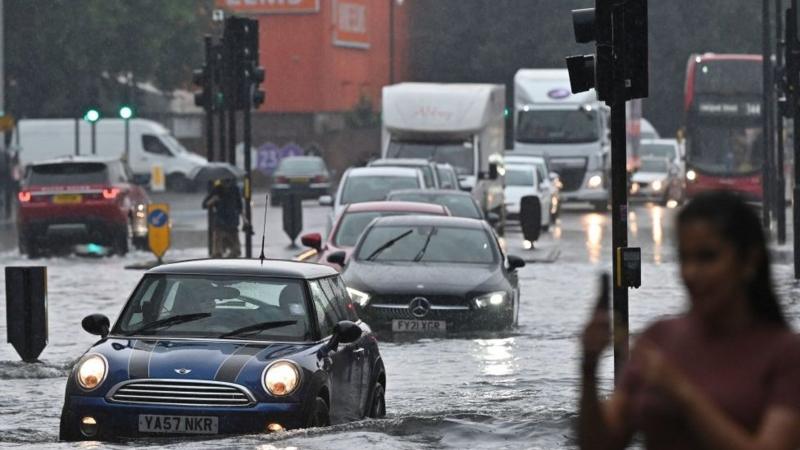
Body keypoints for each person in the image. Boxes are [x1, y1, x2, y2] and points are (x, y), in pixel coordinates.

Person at [579, 191, 800, 449]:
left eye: (707, 257)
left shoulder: (785, 354)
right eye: (685, 258)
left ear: (749, 260)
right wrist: (589, 367)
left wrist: (681, 392)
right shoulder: (658, 339)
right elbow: (601, 444)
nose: (691, 273)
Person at [202, 178, 244, 258]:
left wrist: (244, 219)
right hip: (220, 222)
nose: (226, 184)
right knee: (217, 251)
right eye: (224, 181)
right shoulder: (217, 189)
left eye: (227, 181)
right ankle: (219, 256)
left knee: (236, 250)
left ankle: (229, 258)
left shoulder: (235, 189)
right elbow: (204, 205)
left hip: (232, 222)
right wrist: (213, 200)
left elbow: (239, 206)